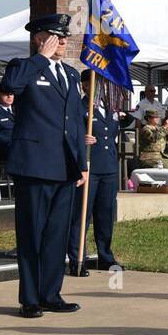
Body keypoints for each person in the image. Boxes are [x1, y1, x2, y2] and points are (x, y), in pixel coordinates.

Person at [0, 13, 87, 318]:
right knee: (31, 234)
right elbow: (10, 87)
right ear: (40, 37)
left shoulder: (71, 75)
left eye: (65, 37)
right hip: (35, 165)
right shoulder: (22, 66)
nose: (64, 42)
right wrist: (40, 58)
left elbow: (75, 123)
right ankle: (31, 299)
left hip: (65, 166)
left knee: (56, 235)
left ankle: (51, 293)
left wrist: (82, 163)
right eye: (57, 36)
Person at [68, 91, 121, 275]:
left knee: (105, 214)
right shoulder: (79, 107)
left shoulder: (111, 108)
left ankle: (105, 256)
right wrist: (80, 139)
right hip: (89, 166)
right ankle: (77, 258)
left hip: (108, 166)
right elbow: (68, 130)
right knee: (82, 214)